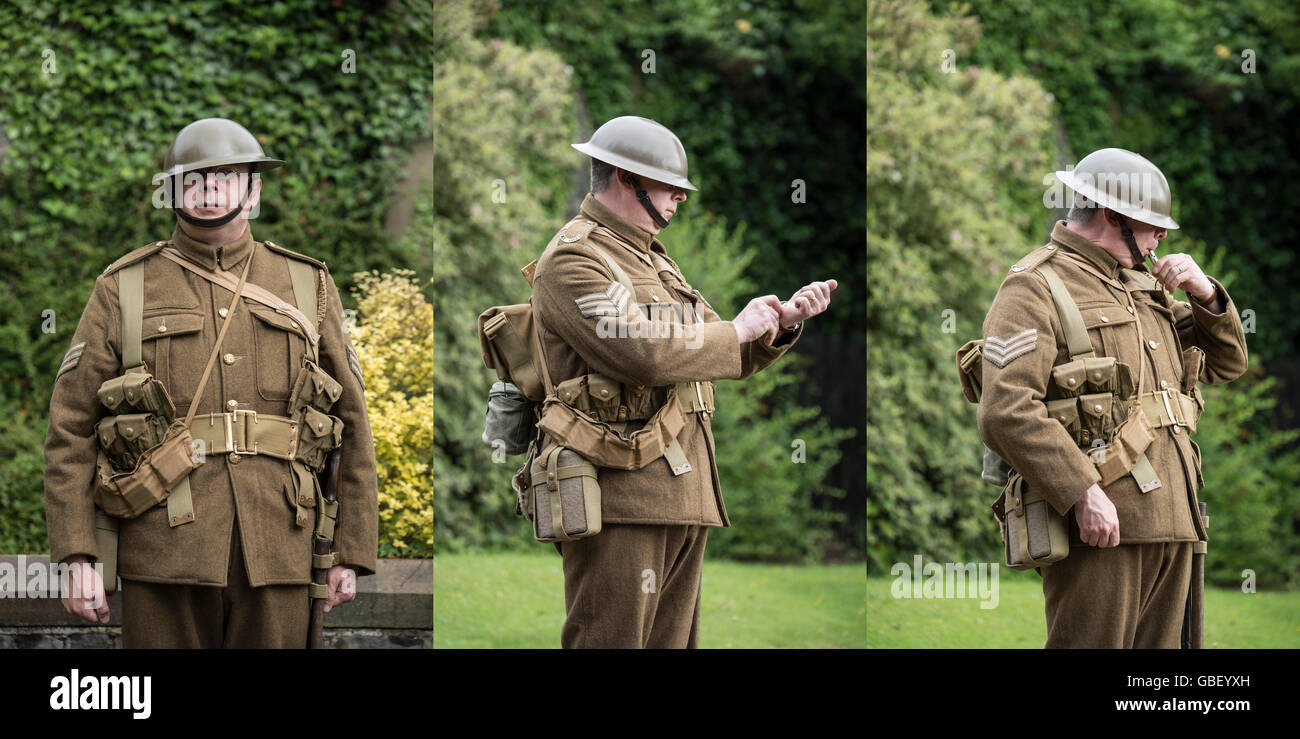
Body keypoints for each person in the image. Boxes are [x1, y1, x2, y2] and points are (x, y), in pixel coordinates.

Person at [44, 117, 379, 648]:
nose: (207, 191)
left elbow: (352, 422)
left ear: (254, 190)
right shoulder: (125, 287)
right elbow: (71, 428)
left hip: (281, 548)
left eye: (224, 175)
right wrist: (77, 553)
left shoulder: (304, 283)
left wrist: (352, 550)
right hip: (164, 553)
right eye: (192, 179)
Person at [529, 115, 837, 648]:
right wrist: (734, 329)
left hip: (679, 492)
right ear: (626, 179)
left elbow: (710, 355)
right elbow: (641, 354)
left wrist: (777, 325)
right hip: (620, 496)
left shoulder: (649, 258)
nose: (679, 198)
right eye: (669, 186)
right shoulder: (576, 257)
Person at [978, 147, 1248, 647]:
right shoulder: (1034, 286)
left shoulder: (1146, 286)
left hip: (1174, 518)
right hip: (1103, 524)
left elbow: (1228, 364)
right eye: (1151, 224)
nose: (1162, 236)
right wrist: (1082, 493)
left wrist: (1205, 293)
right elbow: (1006, 410)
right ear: (1112, 215)